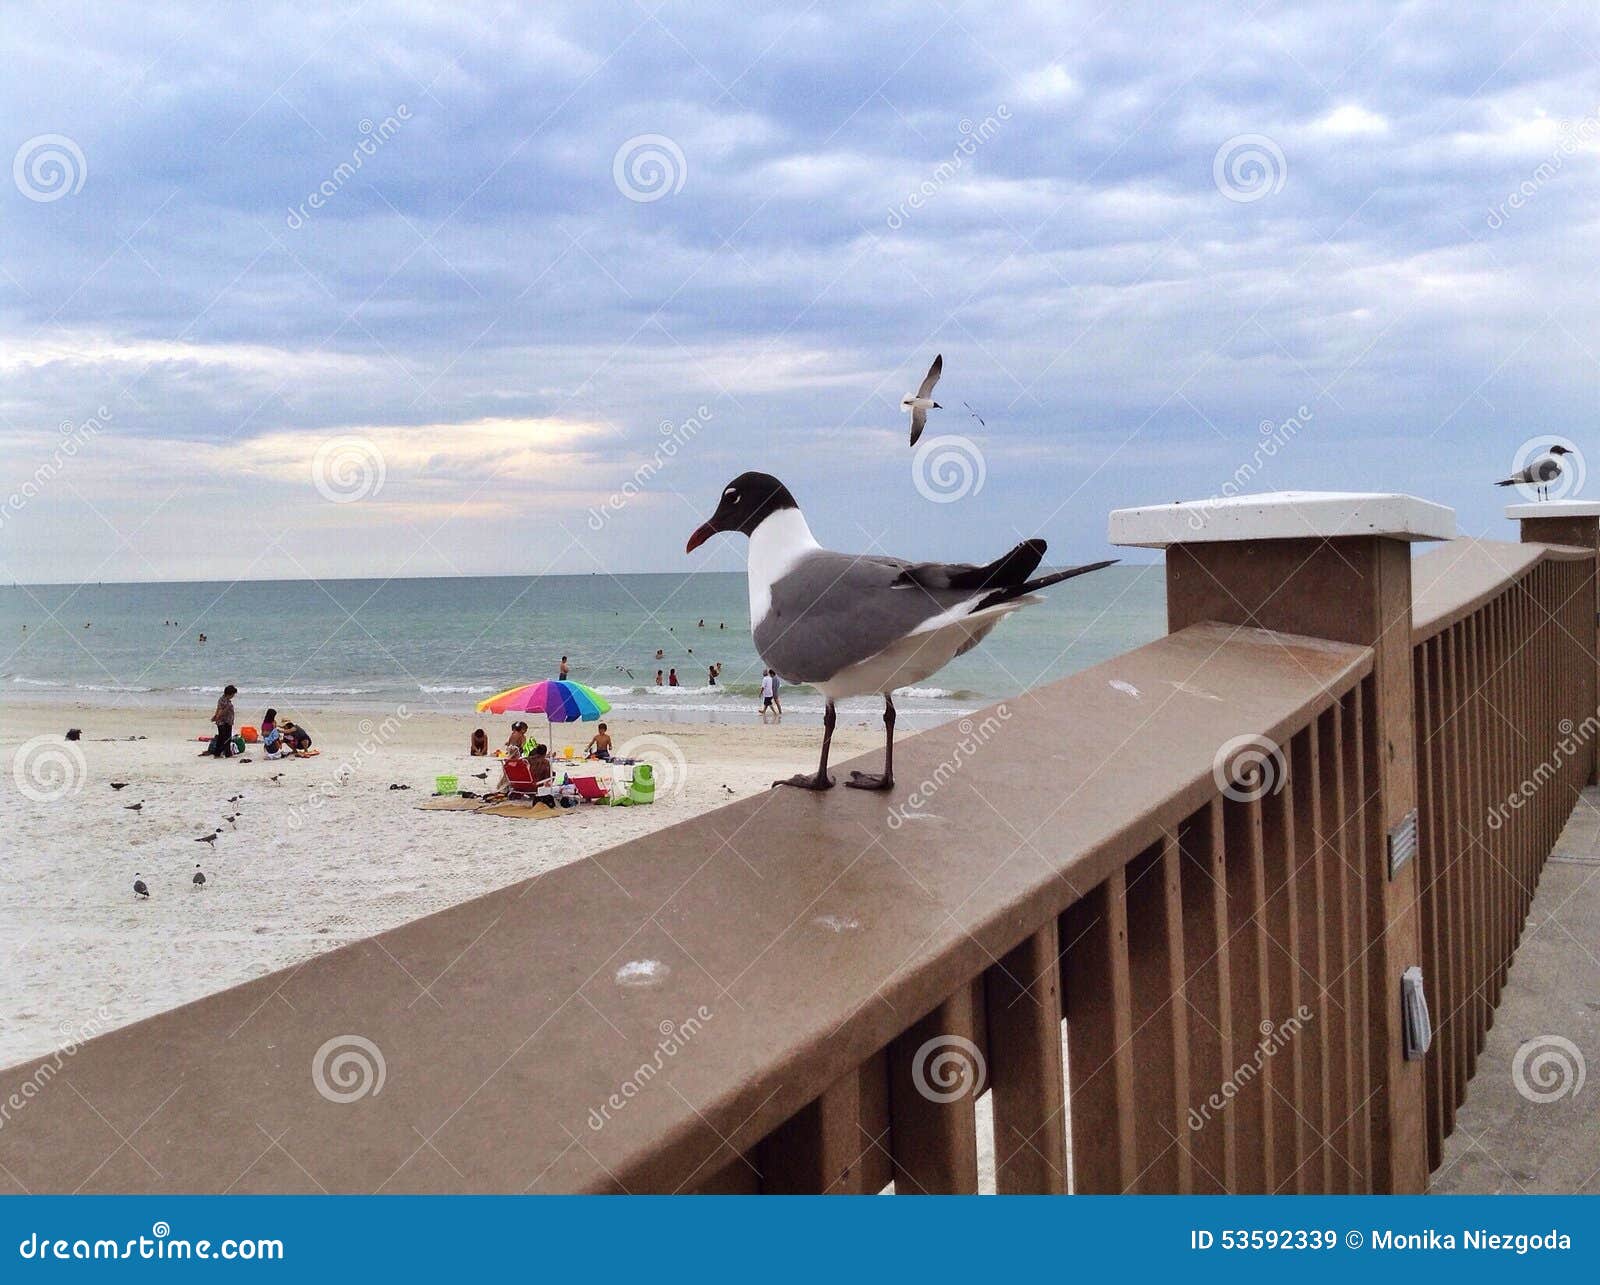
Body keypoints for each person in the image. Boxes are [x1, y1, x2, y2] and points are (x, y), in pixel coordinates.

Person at [205, 685, 237, 757]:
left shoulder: (222, 699)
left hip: (227, 721)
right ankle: (221, 753)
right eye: (233, 694)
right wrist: (217, 717)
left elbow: (218, 709)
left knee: (225, 737)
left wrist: (215, 716)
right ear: (230, 694)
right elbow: (221, 711)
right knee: (224, 737)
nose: (233, 696)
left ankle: (225, 753)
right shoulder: (224, 701)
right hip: (223, 721)